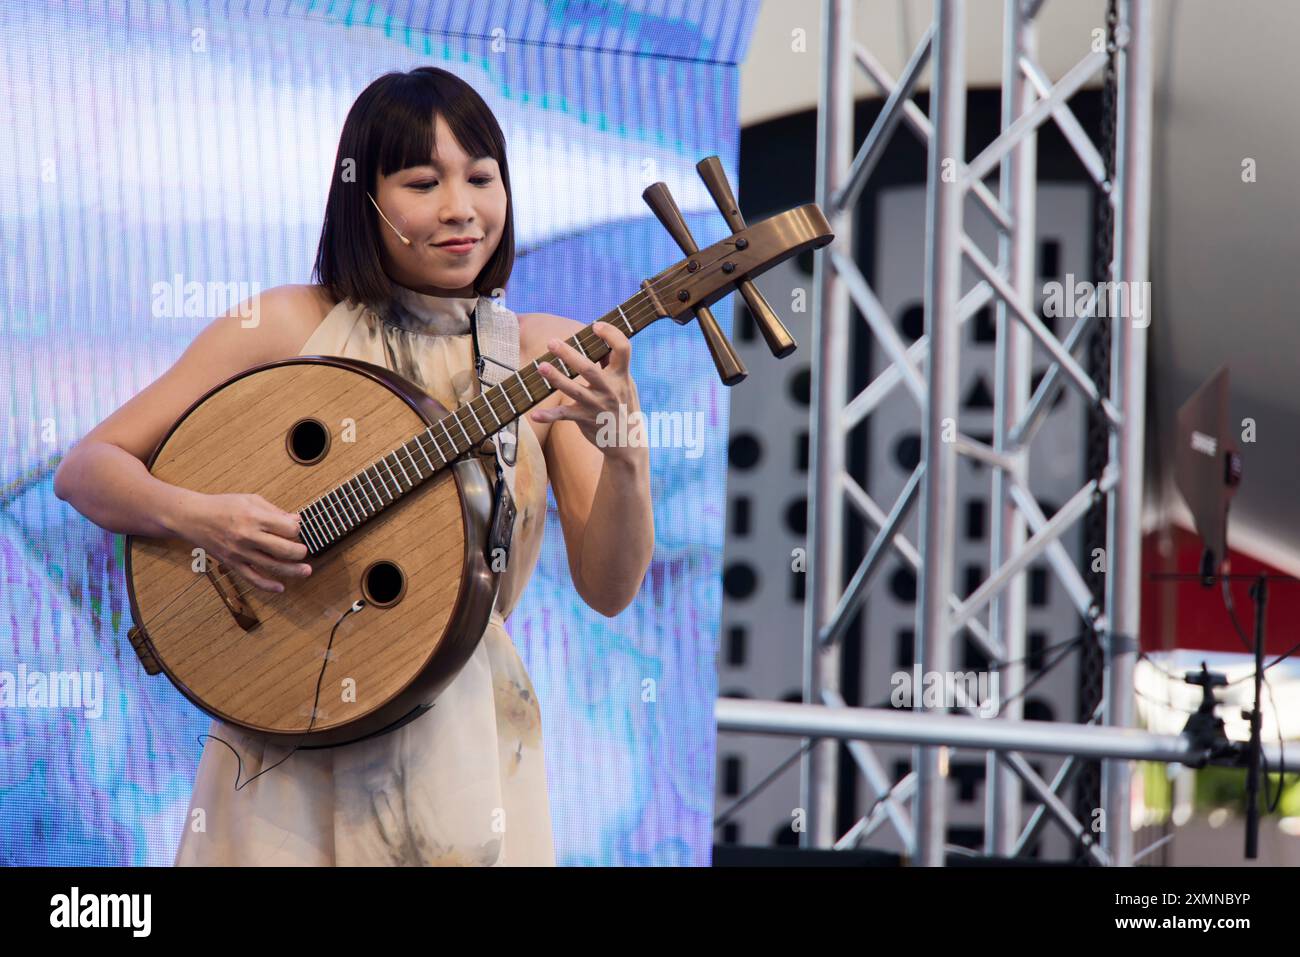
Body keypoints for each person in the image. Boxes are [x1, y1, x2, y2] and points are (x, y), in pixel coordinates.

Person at [52, 66, 655, 866]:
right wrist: (207, 520)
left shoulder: (549, 352)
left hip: (467, 749)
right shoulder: (285, 323)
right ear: (362, 197)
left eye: (481, 178)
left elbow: (609, 590)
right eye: (422, 181)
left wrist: (627, 453)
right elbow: (88, 467)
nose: (460, 208)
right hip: (285, 738)